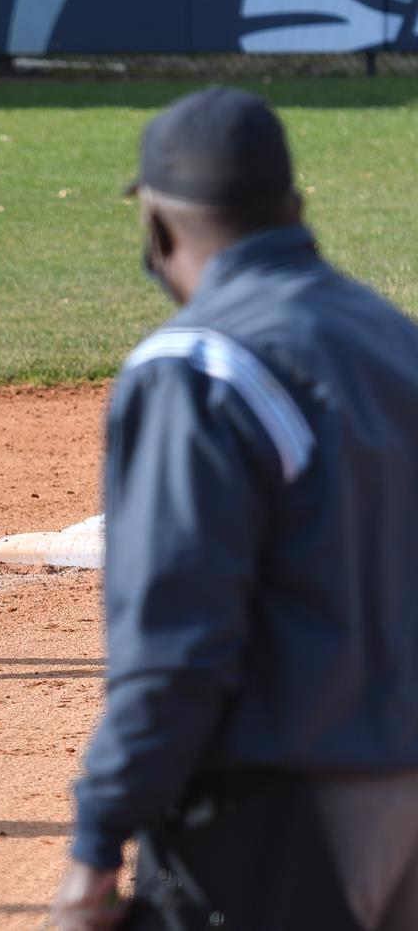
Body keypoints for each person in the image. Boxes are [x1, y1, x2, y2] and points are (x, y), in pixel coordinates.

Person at [52, 86, 418, 931]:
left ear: (158, 227)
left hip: (284, 820)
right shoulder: (393, 336)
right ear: (290, 205)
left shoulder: (197, 367)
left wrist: (96, 845)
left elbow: (177, 650)